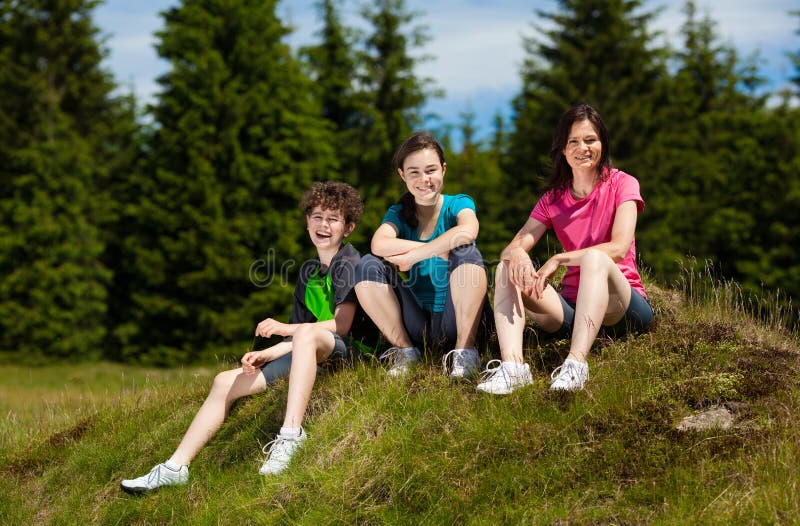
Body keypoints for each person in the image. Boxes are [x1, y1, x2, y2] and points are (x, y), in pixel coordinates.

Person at [120, 181, 377, 493]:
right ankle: (175, 466)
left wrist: (284, 328)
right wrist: (266, 355)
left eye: (333, 219)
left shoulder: (349, 262)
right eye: (317, 216)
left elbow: (340, 326)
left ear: (348, 228)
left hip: (354, 353)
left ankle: (291, 435)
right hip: (314, 350)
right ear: (307, 220)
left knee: (306, 333)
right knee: (223, 381)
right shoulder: (309, 272)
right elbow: (300, 339)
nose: (324, 225)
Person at [476, 103, 654, 395]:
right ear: (562, 148)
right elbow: (516, 244)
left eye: (590, 140)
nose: (583, 148)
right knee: (506, 267)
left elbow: (619, 248)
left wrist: (560, 258)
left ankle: (575, 365)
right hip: (572, 310)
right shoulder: (553, 198)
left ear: (602, 144)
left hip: (621, 308)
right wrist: (518, 252)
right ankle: (513, 367)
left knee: (595, 259)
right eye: (574, 141)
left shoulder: (623, 184)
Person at [354, 131, 491, 378]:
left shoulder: (457, 204)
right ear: (402, 175)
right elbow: (378, 243)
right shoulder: (399, 212)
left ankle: (465, 352)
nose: (423, 179)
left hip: (456, 318)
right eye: (414, 172)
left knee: (465, 250)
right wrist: (437, 250)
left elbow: (468, 231)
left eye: (431, 170)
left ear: (443, 170)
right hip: (419, 325)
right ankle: (406, 352)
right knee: (367, 265)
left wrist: (412, 256)